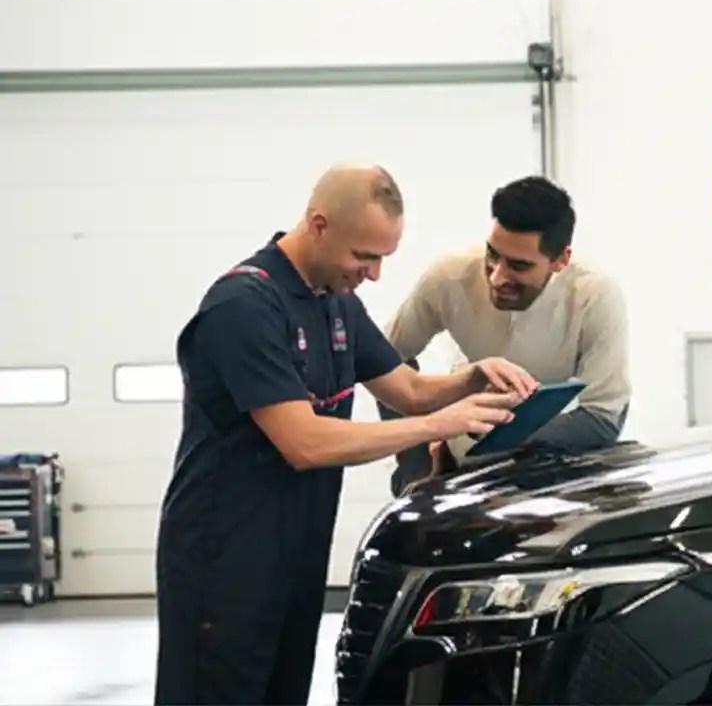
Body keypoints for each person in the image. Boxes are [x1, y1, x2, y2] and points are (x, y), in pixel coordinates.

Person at [152, 163, 538, 705]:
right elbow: (304, 443)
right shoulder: (243, 307)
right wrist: (438, 426)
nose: (374, 274)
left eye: (383, 258)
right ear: (319, 225)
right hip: (225, 563)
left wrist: (472, 377)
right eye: (364, 256)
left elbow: (407, 389)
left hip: (295, 556)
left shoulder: (335, 302)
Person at [378, 175, 630, 493]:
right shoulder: (448, 278)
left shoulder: (596, 295)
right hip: (455, 465)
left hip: (548, 472)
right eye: (493, 254)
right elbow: (383, 362)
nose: (497, 277)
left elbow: (603, 417)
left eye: (518, 266)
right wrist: (414, 465)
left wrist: (501, 437)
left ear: (561, 261)